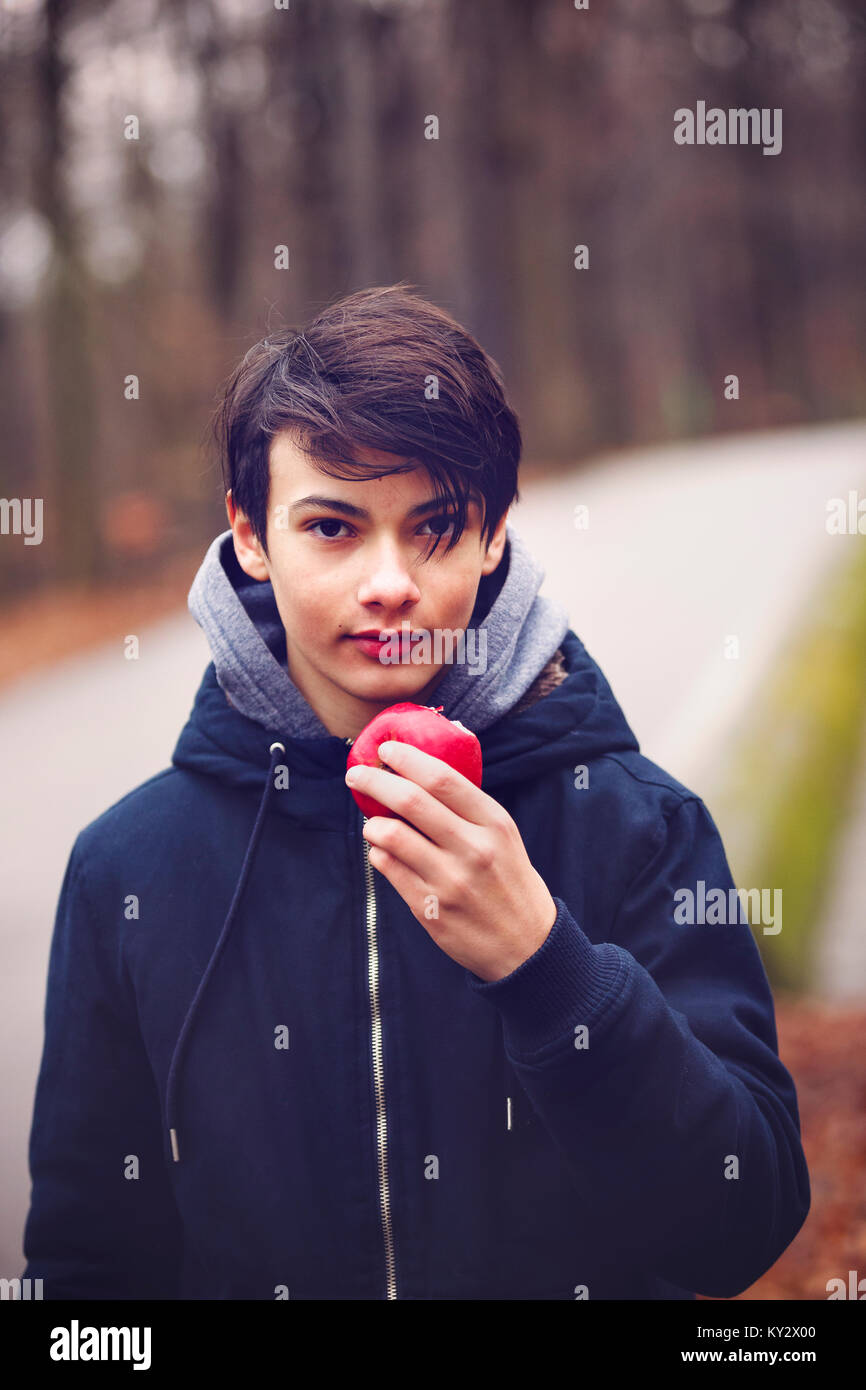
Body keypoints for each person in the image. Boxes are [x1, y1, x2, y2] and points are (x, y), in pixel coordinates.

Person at [21, 283, 810, 1300]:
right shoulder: (126, 867)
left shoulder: (637, 821)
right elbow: (89, 1268)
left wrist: (546, 964)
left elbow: (738, 1224)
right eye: (333, 528)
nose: (388, 581)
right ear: (250, 534)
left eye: (433, 526)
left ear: (493, 535)